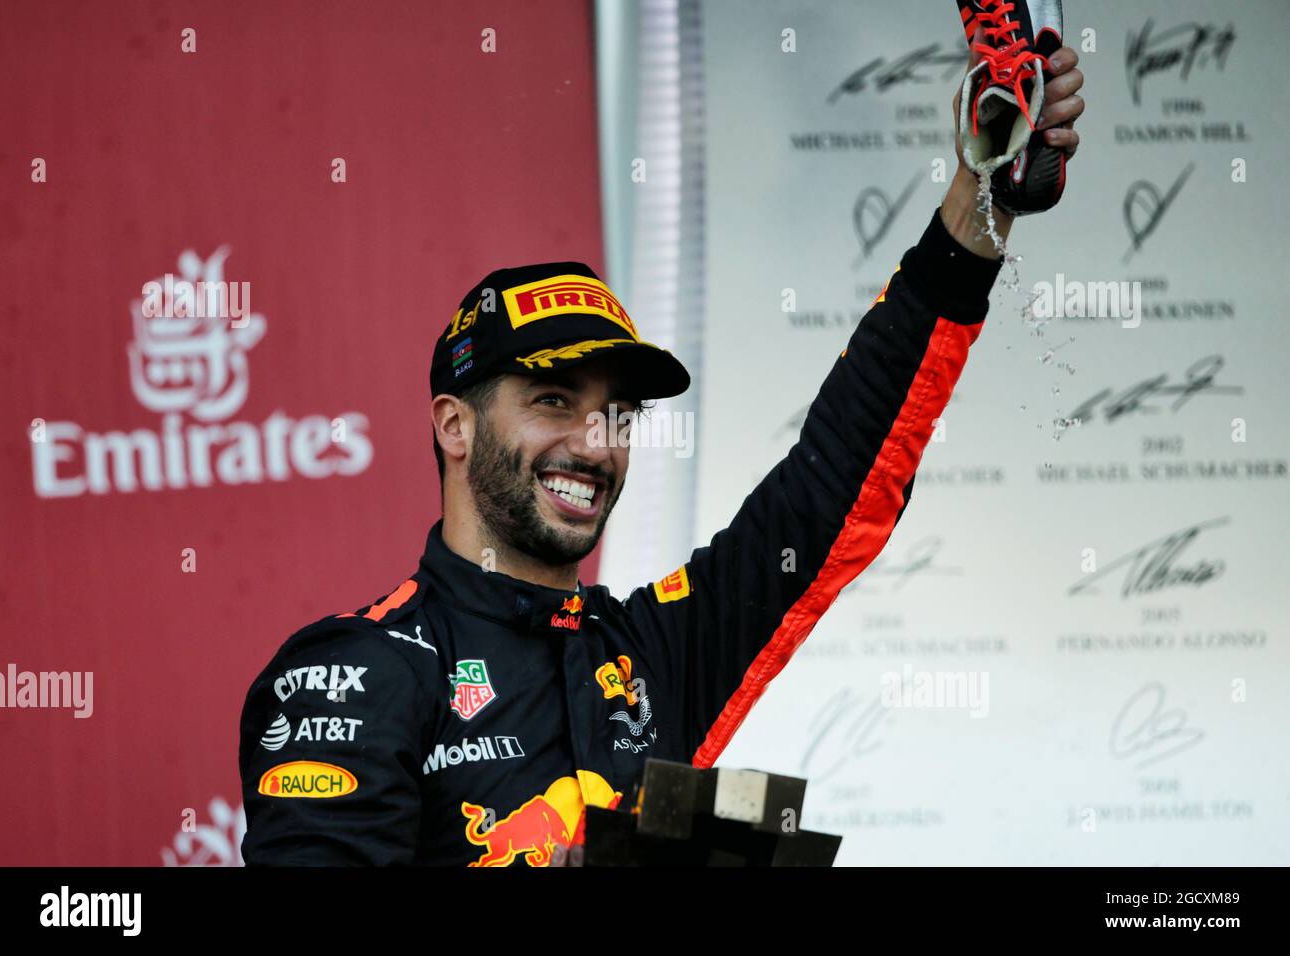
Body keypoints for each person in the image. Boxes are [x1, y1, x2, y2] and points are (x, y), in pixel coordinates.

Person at [239, 25, 1085, 866]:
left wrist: (986, 191)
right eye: (552, 400)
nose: (594, 441)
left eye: (619, 413)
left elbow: (836, 482)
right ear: (454, 426)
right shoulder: (352, 676)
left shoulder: (649, 653)